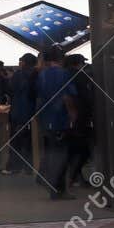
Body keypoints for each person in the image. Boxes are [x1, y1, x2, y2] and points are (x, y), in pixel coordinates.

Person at [35, 51, 73, 198]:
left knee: (51, 151)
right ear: (60, 59)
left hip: (46, 118)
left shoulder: (42, 75)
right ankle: (56, 188)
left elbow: (39, 97)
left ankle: (47, 181)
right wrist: (72, 114)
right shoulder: (63, 74)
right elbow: (67, 96)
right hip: (60, 118)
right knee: (61, 154)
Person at [64, 53, 96, 188]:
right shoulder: (81, 76)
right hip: (80, 116)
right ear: (78, 63)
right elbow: (86, 97)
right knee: (83, 148)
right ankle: (74, 176)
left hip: (65, 118)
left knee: (72, 147)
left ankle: (75, 177)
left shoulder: (63, 75)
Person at [5, 53, 38, 175]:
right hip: (32, 111)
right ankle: (31, 166)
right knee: (30, 141)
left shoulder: (18, 75)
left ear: (24, 62)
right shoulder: (37, 74)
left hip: (17, 112)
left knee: (16, 141)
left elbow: (11, 89)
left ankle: (14, 166)